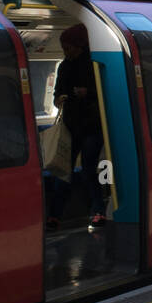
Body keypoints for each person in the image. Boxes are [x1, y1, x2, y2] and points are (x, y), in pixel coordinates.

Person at [50, 23, 108, 229]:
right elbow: (57, 92)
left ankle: (98, 211)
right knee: (63, 170)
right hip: (71, 125)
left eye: (69, 48)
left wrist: (88, 93)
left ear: (80, 46)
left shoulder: (95, 64)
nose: (66, 52)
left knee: (88, 169)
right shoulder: (64, 66)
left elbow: (105, 92)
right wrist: (60, 99)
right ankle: (55, 215)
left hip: (92, 126)